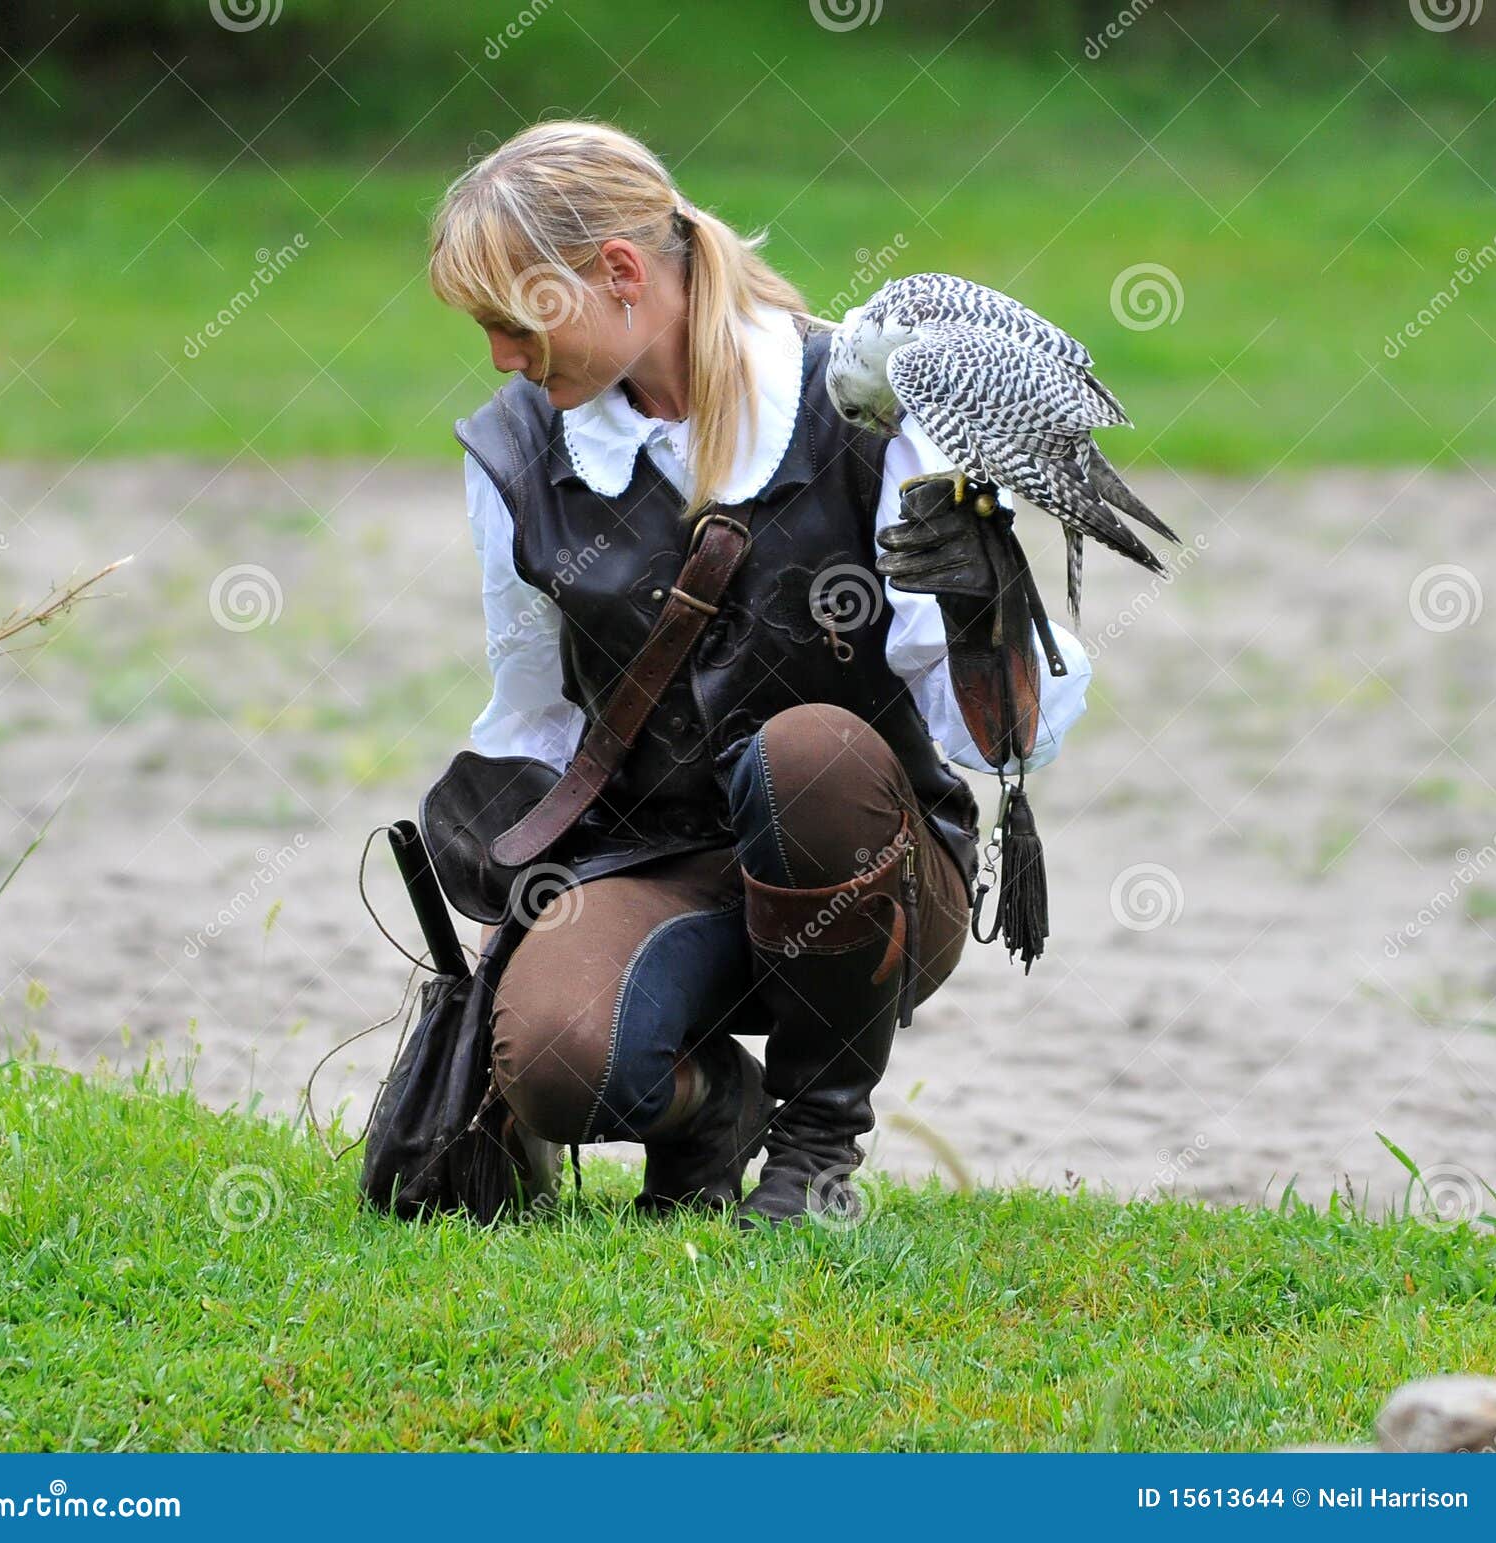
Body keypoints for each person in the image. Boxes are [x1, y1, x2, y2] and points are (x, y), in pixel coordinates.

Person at [427, 119, 1090, 1230]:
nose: (499, 355)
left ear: (621, 273)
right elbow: (536, 717)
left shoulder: (867, 411)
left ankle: (814, 1148)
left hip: (872, 871)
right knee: (556, 1061)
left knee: (807, 754)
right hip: (655, 862)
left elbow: (998, 743)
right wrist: (509, 936)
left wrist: (983, 608)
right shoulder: (519, 453)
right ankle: (712, 1113)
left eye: (512, 321)